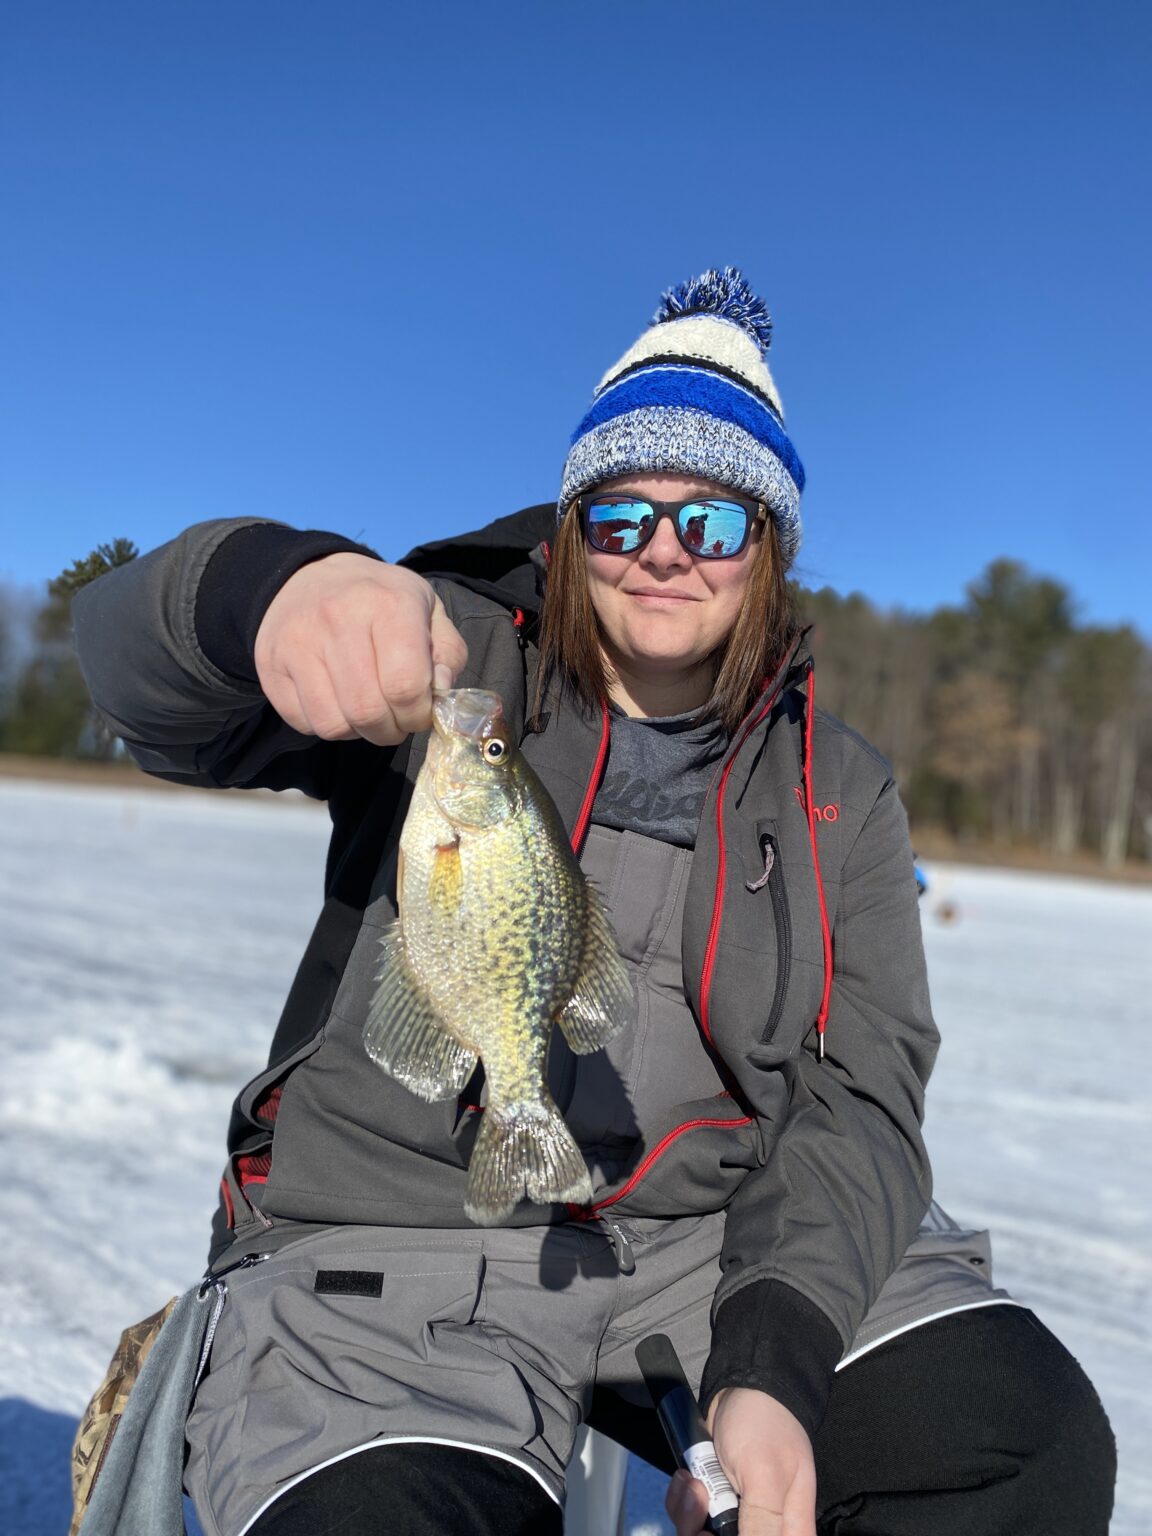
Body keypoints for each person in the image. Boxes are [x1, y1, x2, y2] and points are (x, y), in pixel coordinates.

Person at [72, 269, 1115, 1536]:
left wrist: (777, 1357)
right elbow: (137, 678)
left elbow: (860, 1095)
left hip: (718, 1248)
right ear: (571, 537)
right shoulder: (453, 671)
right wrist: (268, 595)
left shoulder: (842, 789)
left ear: (768, 552)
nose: (666, 550)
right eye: (621, 517)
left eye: (715, 523)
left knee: (1018, 1446)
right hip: (396, 1253)